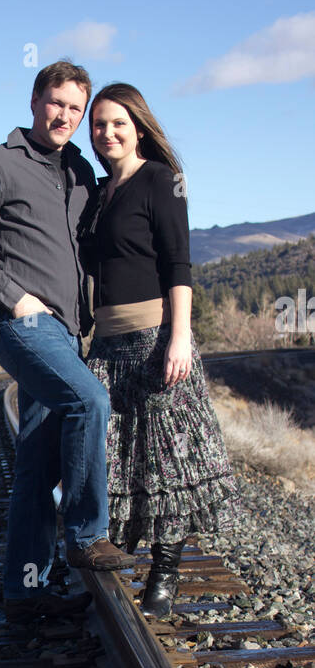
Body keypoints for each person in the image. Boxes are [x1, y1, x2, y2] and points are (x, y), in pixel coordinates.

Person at [0, 60, 135, 626]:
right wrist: (15, 296)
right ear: (34, 101)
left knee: (34, 463)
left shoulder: (80, 173)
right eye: (57, 103)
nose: (66, 116)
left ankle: (24, 593)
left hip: (70, 333)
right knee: (90, 401)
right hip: (22, 323)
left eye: (77, 108)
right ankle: (85, 535)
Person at [80, 83, 239, 618]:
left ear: (139, 127)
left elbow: (178, 264)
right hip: (105, 343)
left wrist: (180, 336)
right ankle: (115, 553)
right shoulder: (98, 195)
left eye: (117, 123)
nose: (107, 133)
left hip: (154, 339)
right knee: (113, 455)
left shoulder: (161, 182)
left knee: (163, 461)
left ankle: (165, 573)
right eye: (98, 124)